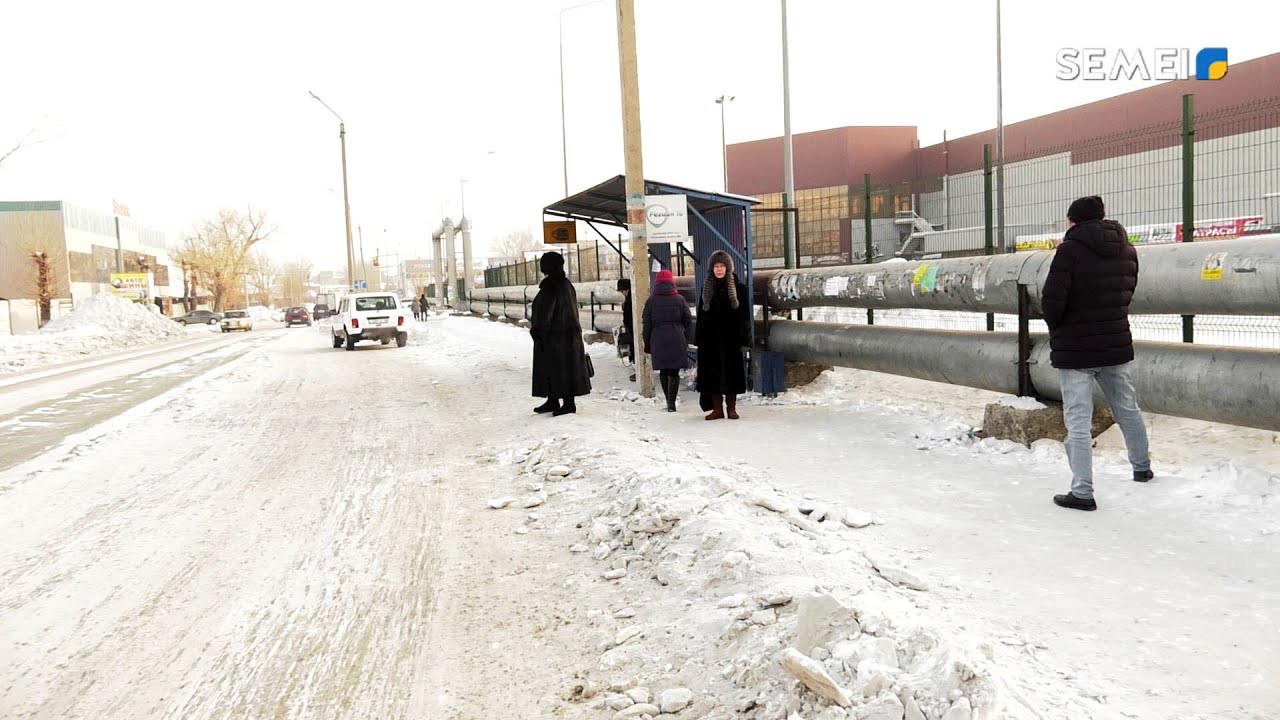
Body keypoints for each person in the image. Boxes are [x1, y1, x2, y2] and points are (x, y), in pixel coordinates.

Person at [1042, 195, 1153, 512]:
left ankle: (1082, 492)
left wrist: (1059, 328)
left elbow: (1052, 300)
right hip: (1114, 343)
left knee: (1078, 421)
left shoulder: (1069, 251)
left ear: (1073, 220)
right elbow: (1127, 292)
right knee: (1127, 408)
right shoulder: (1127, 249)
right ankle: (1142, 467)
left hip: (1076, 349)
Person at [530, 251, 591, 416]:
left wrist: (538, 332)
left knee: (558, 368)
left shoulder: (551, 286)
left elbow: (545, 313)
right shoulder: (566, 284)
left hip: (555, 337)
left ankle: (567, 404)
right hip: (568, 334)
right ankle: (554, 399)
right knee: (564, 368)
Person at [695, 249, 751, 421]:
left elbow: (744, 316)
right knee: (713, 375)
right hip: (710, 341)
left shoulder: (739, 289)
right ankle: (717, 409)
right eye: (716, 266)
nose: (719, 269)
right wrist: (699, 338)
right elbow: (701, 315)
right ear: (711, 269)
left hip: (731, 340)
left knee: (731, 374)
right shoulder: (707, 289)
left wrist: (744, 338)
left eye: (722, 266)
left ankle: (731, 408)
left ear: (728, 268)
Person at [642, 268, 693, 412]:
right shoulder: (680, 299)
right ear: (672, 283)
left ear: (657, 283)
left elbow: (646, 324)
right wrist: (684, 335)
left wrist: (647, 342)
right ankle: (672, 403)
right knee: (674, 372)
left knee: (663, 371)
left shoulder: (651, 301)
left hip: (658, 339)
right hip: (677, 338)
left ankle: (668, 402)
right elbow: (688, 319)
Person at [617, 278, 635, 381]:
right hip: (631, 328)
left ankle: (638, 371)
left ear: (626, 289)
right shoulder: (629, 298)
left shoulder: (631, 299)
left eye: (622, 291)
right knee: (632, 347)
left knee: (634, 348)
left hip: (633, 328)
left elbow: (629, 315)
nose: (622, 293)